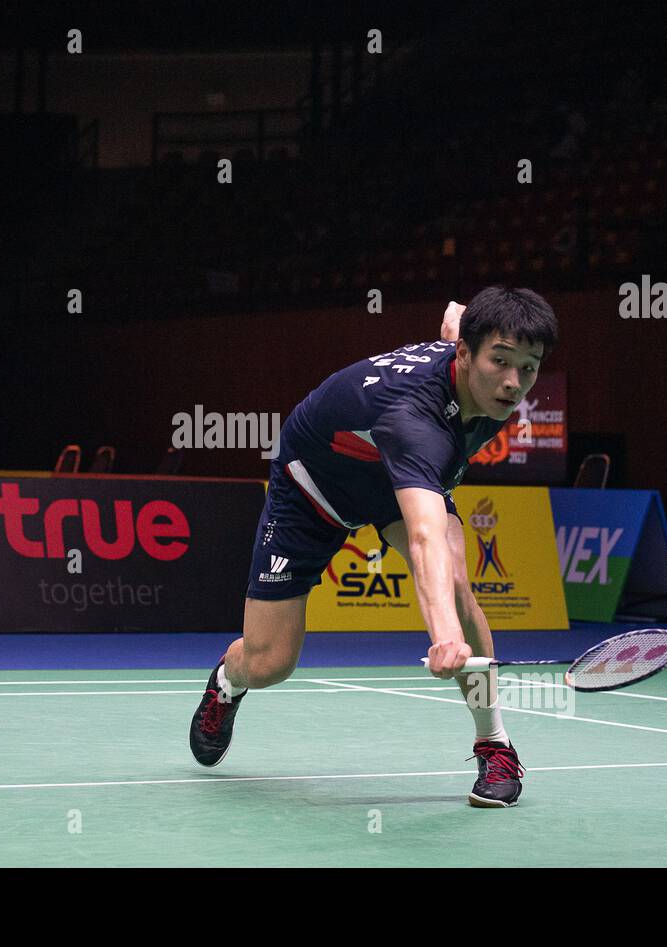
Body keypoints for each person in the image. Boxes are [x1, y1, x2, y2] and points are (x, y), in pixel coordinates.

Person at [189, 286, 558, 808]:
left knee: (456, 585)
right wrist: (445, 637)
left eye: (529, 367)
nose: (513, 382)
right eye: (500, 361)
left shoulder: (484, 370)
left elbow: (457, 321)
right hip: (314, 486)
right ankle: (228, 682)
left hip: (396, 483)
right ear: (466, 356)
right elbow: (426, 536)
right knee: (271, 661)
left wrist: (460, 316)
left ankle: (493, 743)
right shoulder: (414, 419)